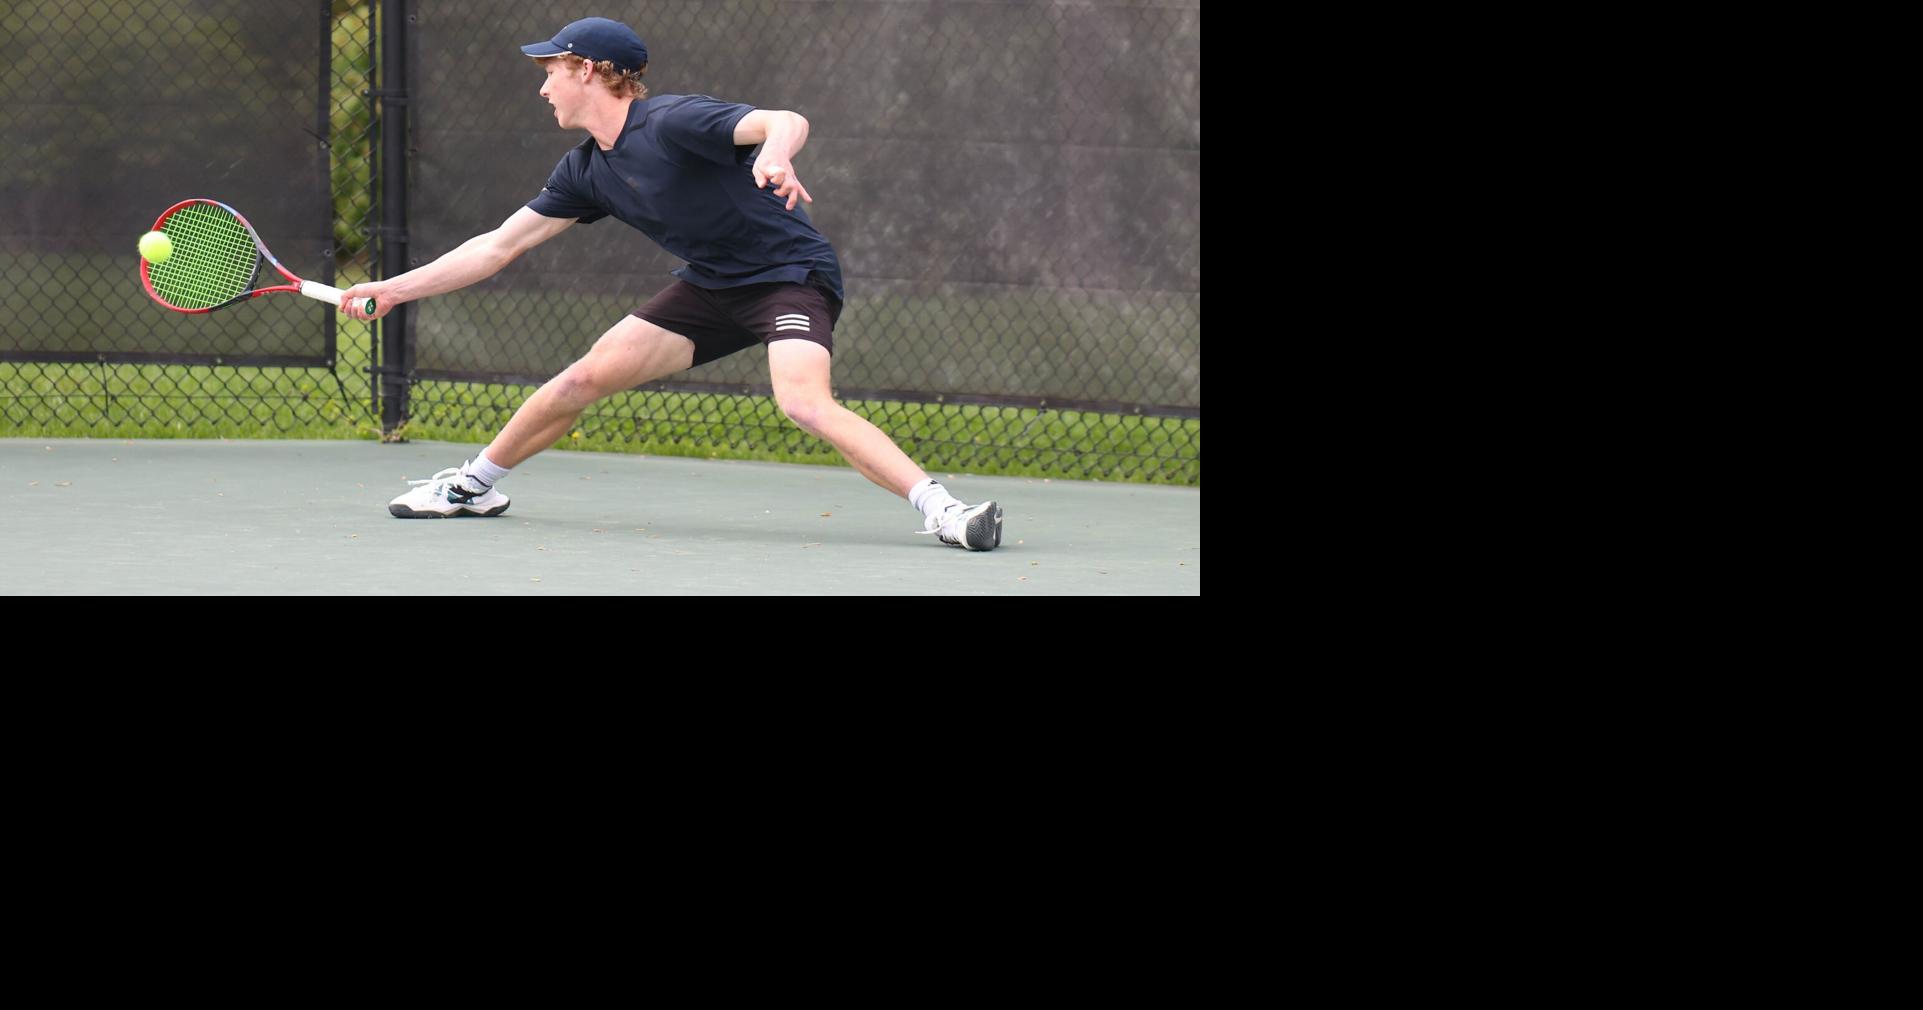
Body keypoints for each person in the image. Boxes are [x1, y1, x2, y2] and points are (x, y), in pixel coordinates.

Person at [342, 17, 1003, 551]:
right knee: (579, 379)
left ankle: (944, 512)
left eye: (551, 73)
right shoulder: (583, 171)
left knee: (802, 402)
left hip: (788, 279)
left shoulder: (672, 121)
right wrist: (396, 289)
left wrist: (774, 151)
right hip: (710, 287)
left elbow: (782, 119)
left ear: (589, 72)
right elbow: (496, 247)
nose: (543, 89)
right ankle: (473, 487)